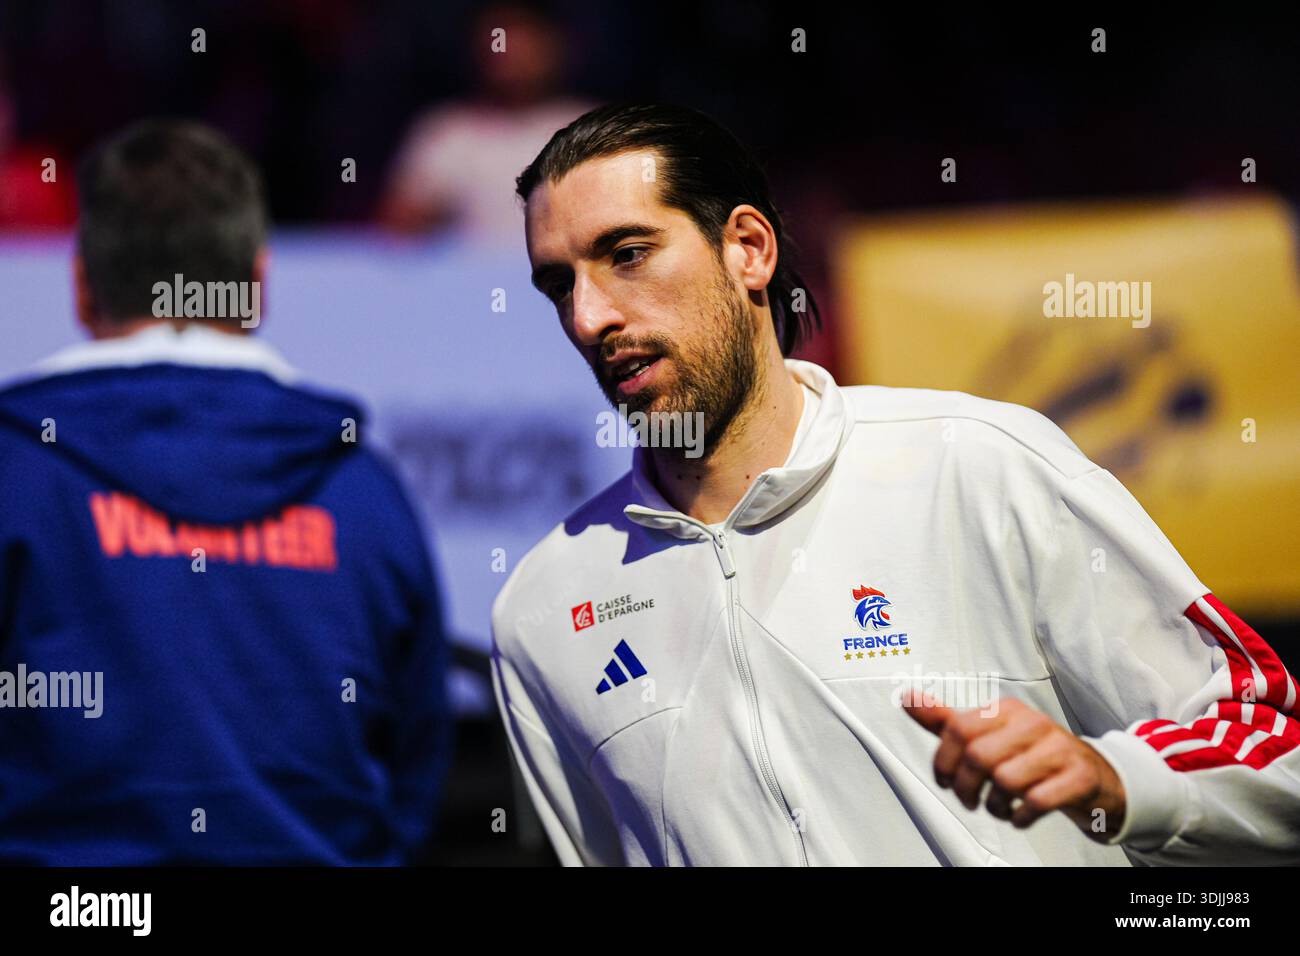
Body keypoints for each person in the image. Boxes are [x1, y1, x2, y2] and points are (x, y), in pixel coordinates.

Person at [489, 102, 1300, 866]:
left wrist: (1118, 781)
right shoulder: (540, 609)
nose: (589, 317)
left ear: (749, 250)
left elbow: (1275, 749)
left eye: (627, 255)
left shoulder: (979, 465)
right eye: (559, 284)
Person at [0, 120, 451, 864]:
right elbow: (416, 759)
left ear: (82, 284)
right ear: (258, 285)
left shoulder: (20, 469)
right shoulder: (363, 487)